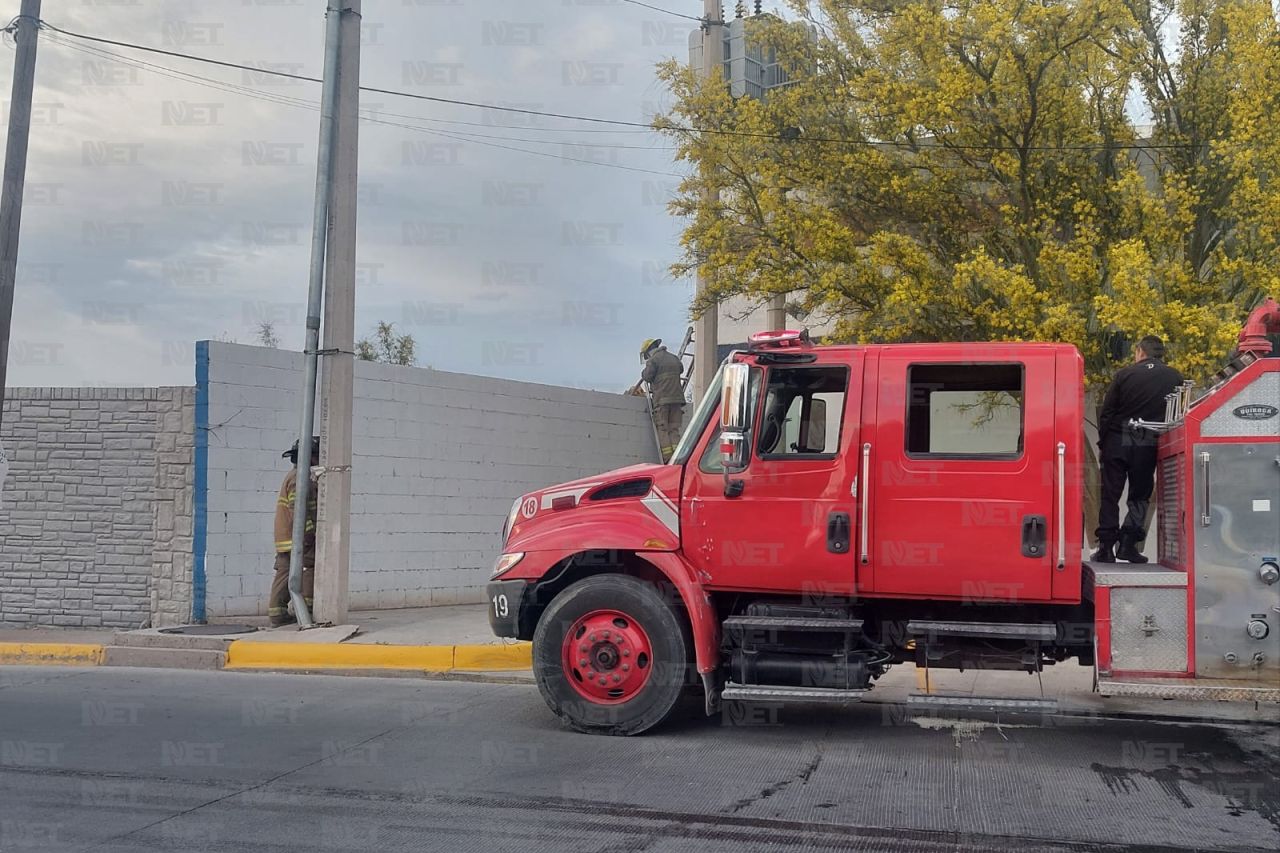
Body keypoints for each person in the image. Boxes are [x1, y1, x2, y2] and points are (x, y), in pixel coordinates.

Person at [1093, 336, 1183, 563]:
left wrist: (1103, 443)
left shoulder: (1124, 375)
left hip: (1118, 439)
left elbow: (1107, 412)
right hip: (1148, 441)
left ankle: (1105, 547)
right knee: (1139, 496)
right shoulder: (1175, 377)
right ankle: (1128, 544)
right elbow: (1176, 415)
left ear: (1140, 352)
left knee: (1110, 495)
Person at [269, 436, 319, 626]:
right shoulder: (300, 478)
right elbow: (298, 508)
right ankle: (305, 610)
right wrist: (308, 533)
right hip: (296, 536)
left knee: (284, 572)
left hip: (286, 536)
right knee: (311, 567)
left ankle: (277, 613)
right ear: (311, 456)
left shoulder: (294, 475)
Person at [640, 339, 686, 461]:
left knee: (663, 429)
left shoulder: (653, 360)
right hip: (677, 400)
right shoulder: (674, 358)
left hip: (662, 401)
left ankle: (667, 458)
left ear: (649, 351)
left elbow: (647, 376)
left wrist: (644, 371)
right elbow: (681, 369)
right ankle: (679, 457)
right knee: (674, 429)